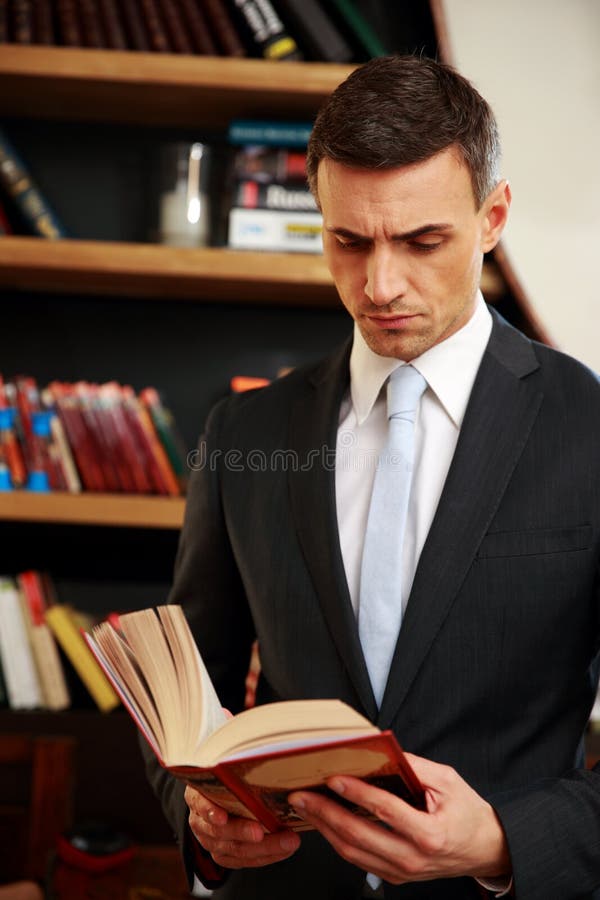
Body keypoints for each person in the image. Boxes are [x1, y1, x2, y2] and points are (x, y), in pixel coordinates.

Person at [143, 55, 600, 899]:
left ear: (493, 217)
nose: (379, 285)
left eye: (423, 241)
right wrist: (203, 826)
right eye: (348, 240)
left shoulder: (589, 429)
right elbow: (188, 698)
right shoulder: (245, 432)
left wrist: (503, 842)